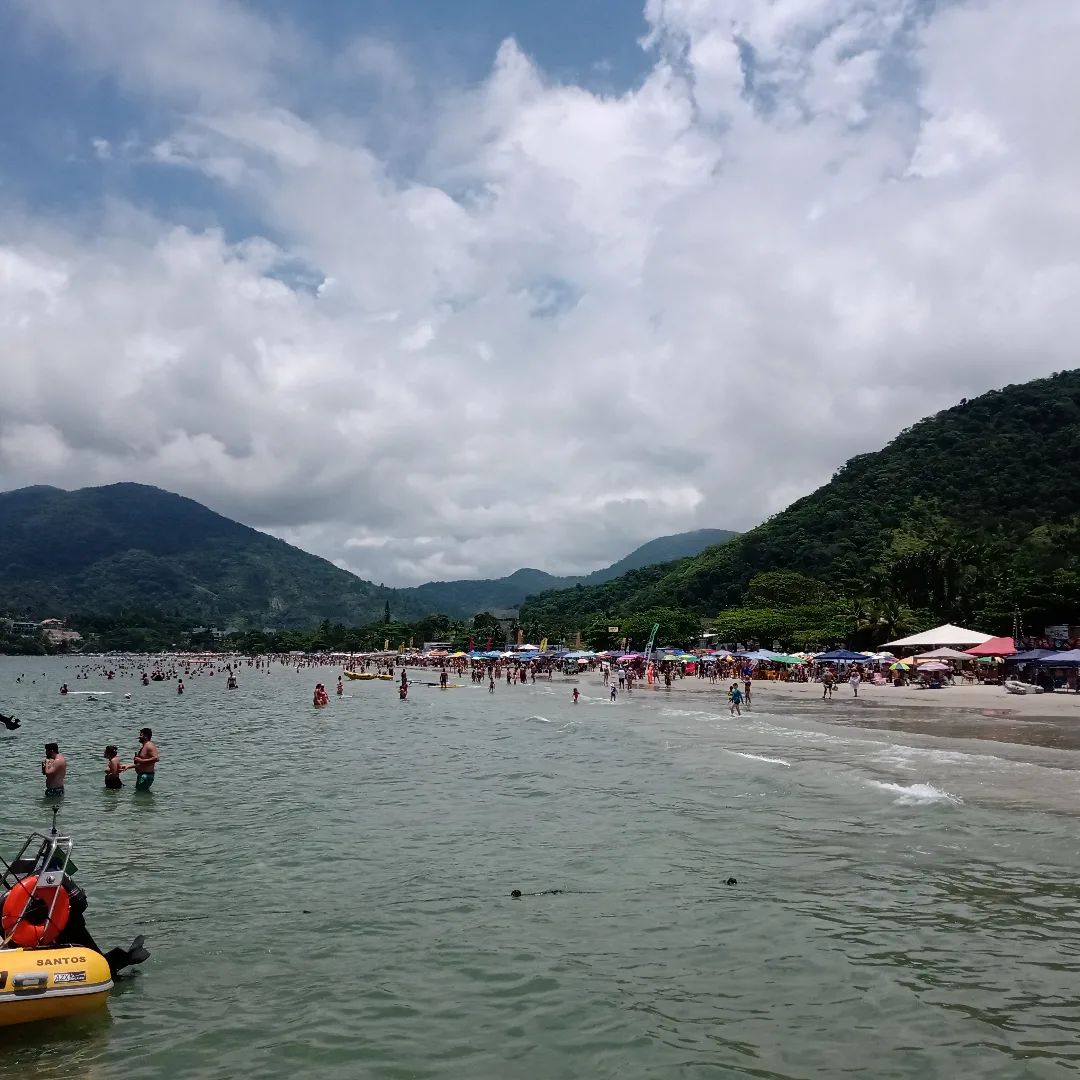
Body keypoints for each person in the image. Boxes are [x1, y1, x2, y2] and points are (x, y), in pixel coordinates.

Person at [133, 728, 160, 792]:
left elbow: (156, 758)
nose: (139, 737)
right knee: (140, 794)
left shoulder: (149, 745)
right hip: (143, 775)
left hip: (145, 776)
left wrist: (141, 761)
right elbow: (141, 763)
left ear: (146, 736)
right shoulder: (145, 746)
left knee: (140, 794)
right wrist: (128, 766)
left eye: (141, 735)